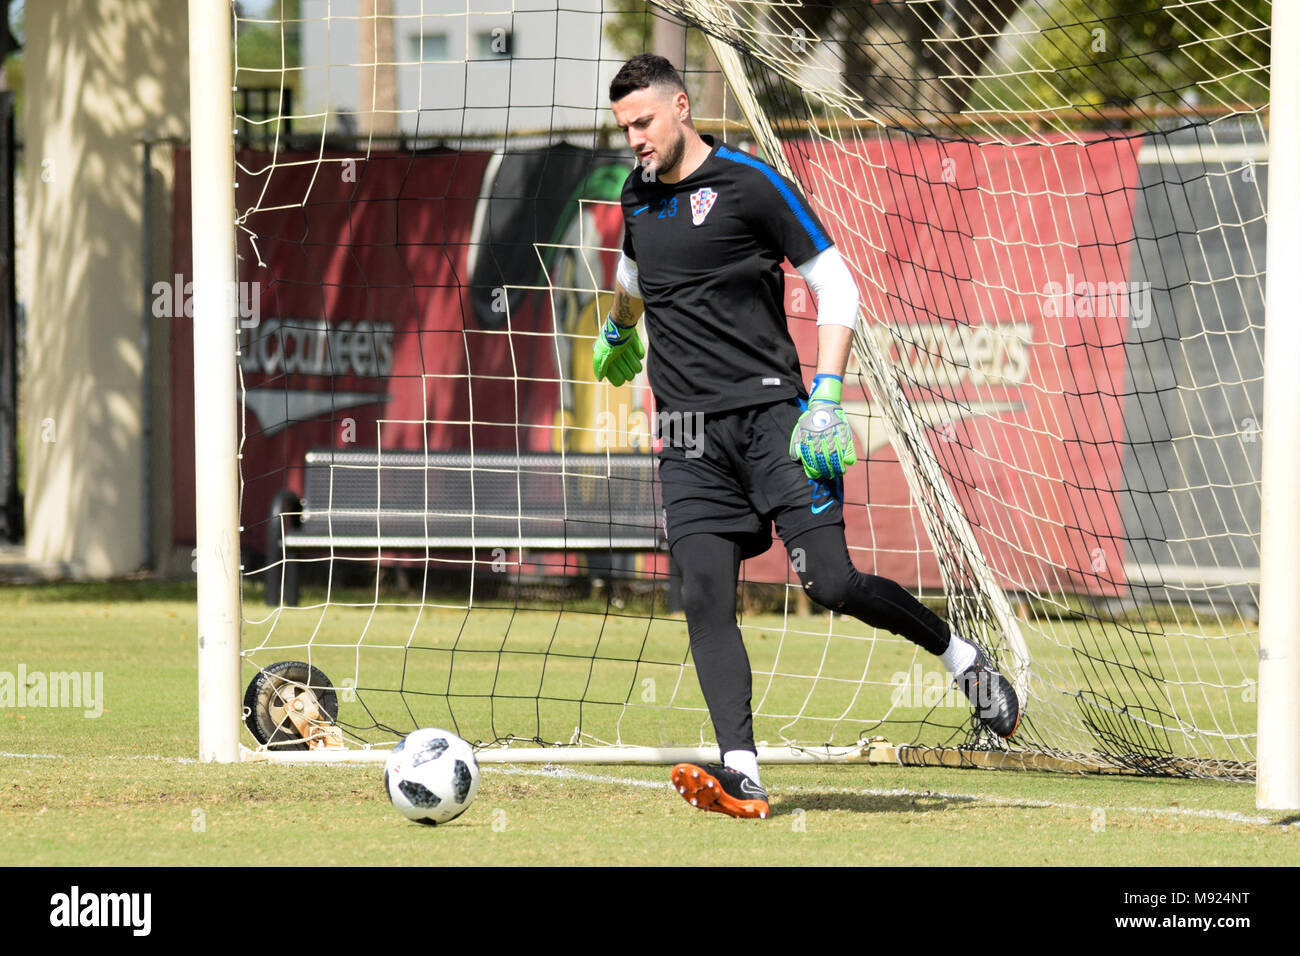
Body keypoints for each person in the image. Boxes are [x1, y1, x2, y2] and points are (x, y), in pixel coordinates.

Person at [593, 54, 1019, 820]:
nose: (635, 140)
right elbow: (632, 274)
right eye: (624, 127)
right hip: (688, 436)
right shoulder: (635, 194)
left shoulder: (750, 185)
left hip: (775, 423)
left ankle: (961, 658)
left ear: (681, 106)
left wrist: (826, 395)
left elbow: (836, 283)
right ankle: (743, 771)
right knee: (702, 593)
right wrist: (618, 330)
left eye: (644, 122)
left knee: (832, 584)